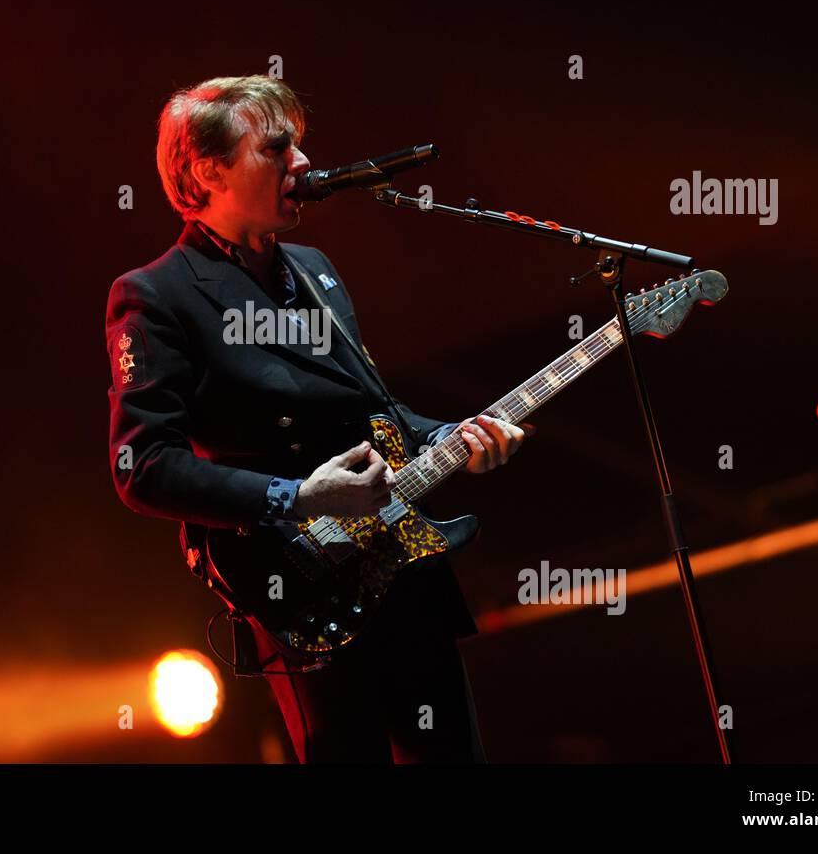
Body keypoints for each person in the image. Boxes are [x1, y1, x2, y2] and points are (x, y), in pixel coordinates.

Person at [106, 74, 528, 762]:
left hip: (403, 568)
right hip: (301, 588)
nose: (301, 163)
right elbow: (143, 466)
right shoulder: (156, 295)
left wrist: (450, 435)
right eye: (277, 148)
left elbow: (375, 411)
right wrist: (297, 496)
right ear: (210, 171)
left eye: (297, 146)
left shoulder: (314, 270)